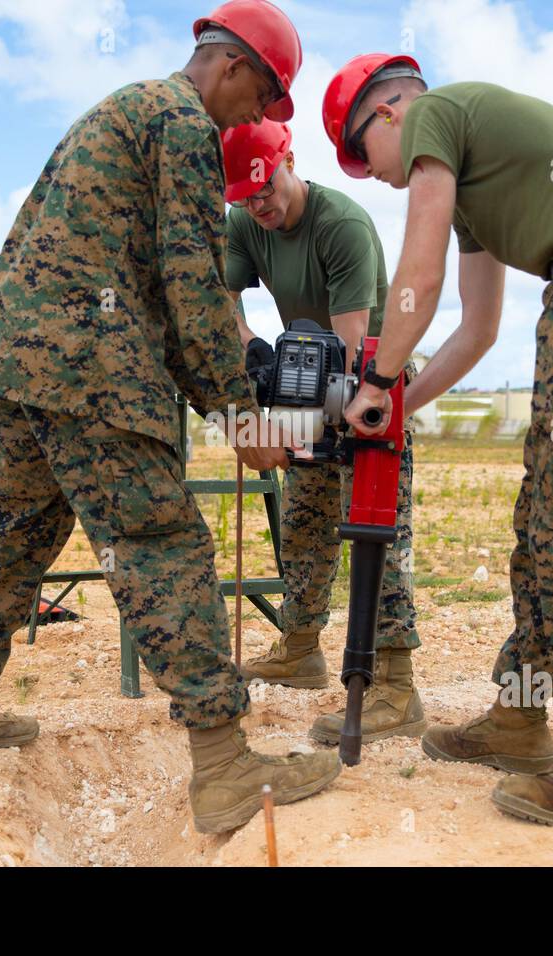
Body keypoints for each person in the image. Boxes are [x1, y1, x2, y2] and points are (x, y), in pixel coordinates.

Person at [0, 0, 342, 836]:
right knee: (162, 543)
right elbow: (190, 282)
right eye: (263, 94)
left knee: (12, 538)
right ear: (228, 64)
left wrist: (227, 401)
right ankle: (223, 764)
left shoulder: (122, 110)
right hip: (91, 365)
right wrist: (239, 413)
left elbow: (156, 285)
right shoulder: (180, 124)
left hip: (15, 361)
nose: (258, 116)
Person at [322, 53, 553, 826]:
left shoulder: (432, 117)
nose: (381, 180)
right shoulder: (469, 176)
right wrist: (397, 403)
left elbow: (414, 278)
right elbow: (478, 327)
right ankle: (521, 718)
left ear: (387, 112)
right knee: (545, 522)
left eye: (368, 159)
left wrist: (376, 382)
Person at [221, 118, 424, 746]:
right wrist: (254, 349)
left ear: (290, 159)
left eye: (270, 187)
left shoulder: (341, 225)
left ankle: (394, 682)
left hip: (365, 380)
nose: (263, 205)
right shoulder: (245, 223)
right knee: (304, 522)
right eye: (249, 198)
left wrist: (319, 390)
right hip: (297, 378)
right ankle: (301, 646)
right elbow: (219, 299)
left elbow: (351, 341)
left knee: (375, 527)